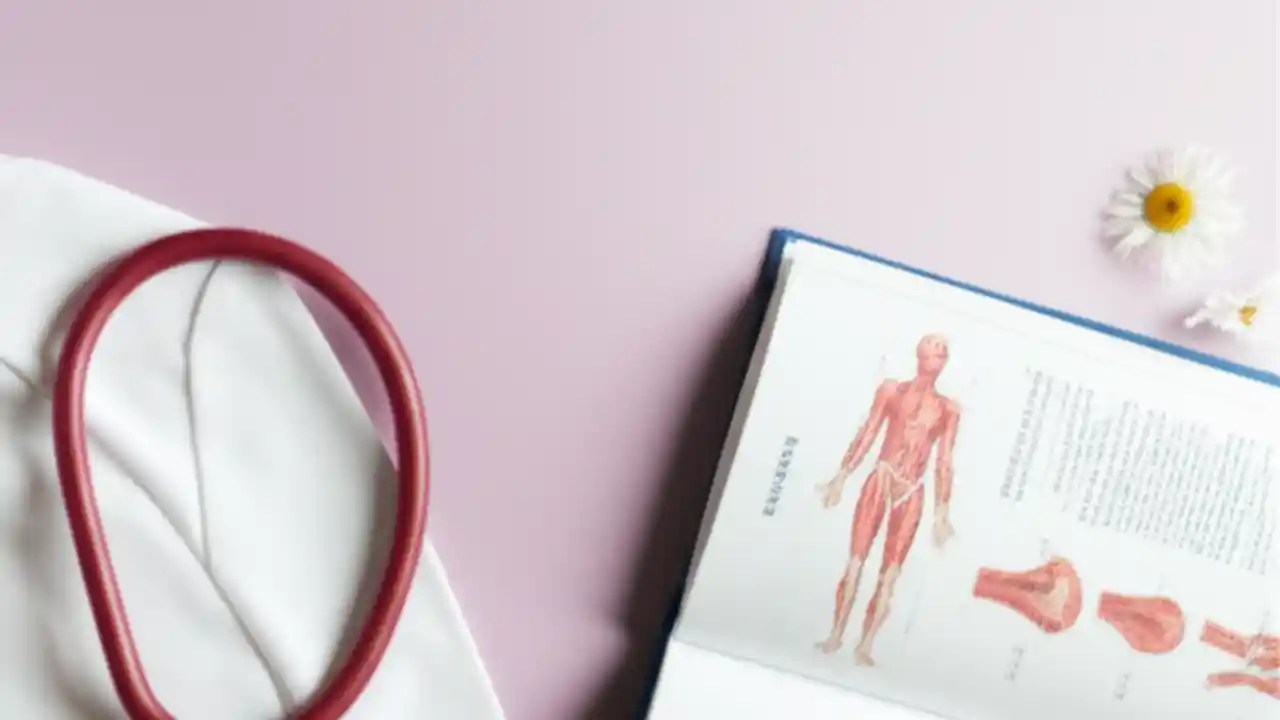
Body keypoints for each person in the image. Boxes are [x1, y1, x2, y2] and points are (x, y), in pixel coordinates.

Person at [816, 333, 959, 666]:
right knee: (855, 564)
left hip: (912, 489)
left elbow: (944, 460)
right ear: (918, 354)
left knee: (890, 575)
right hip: (881, 477)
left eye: (943, 352)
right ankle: (837, 633)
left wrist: (942, 511)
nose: (938, 353)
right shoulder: (892, 391)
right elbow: (869, 430)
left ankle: (865, 644)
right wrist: (842, 476)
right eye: (932, 348)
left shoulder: (948, 409)